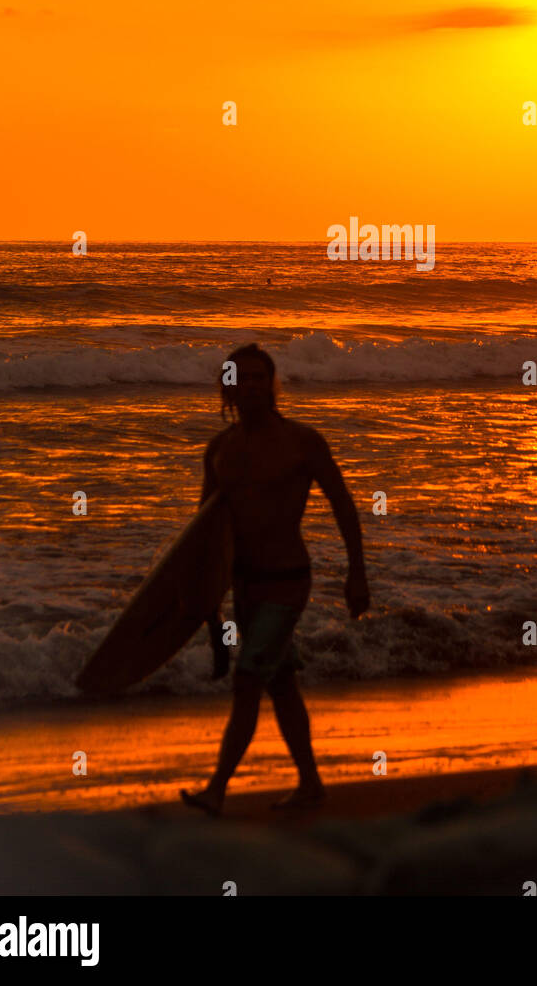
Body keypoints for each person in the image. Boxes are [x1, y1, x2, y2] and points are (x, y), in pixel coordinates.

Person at [181, 343, 369, 815]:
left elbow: (343, 504)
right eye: (240, 378)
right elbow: (206, 535)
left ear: (273, 383)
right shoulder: (219, 450)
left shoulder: (302, 442)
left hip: (287, 581)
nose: (250, 386)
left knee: (248, 682)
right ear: (228, 386)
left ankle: (217, 789)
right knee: (280, 683)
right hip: (244, 586)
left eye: (259, 377)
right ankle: (310, 783)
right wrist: (212, 618)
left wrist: (356, 573)